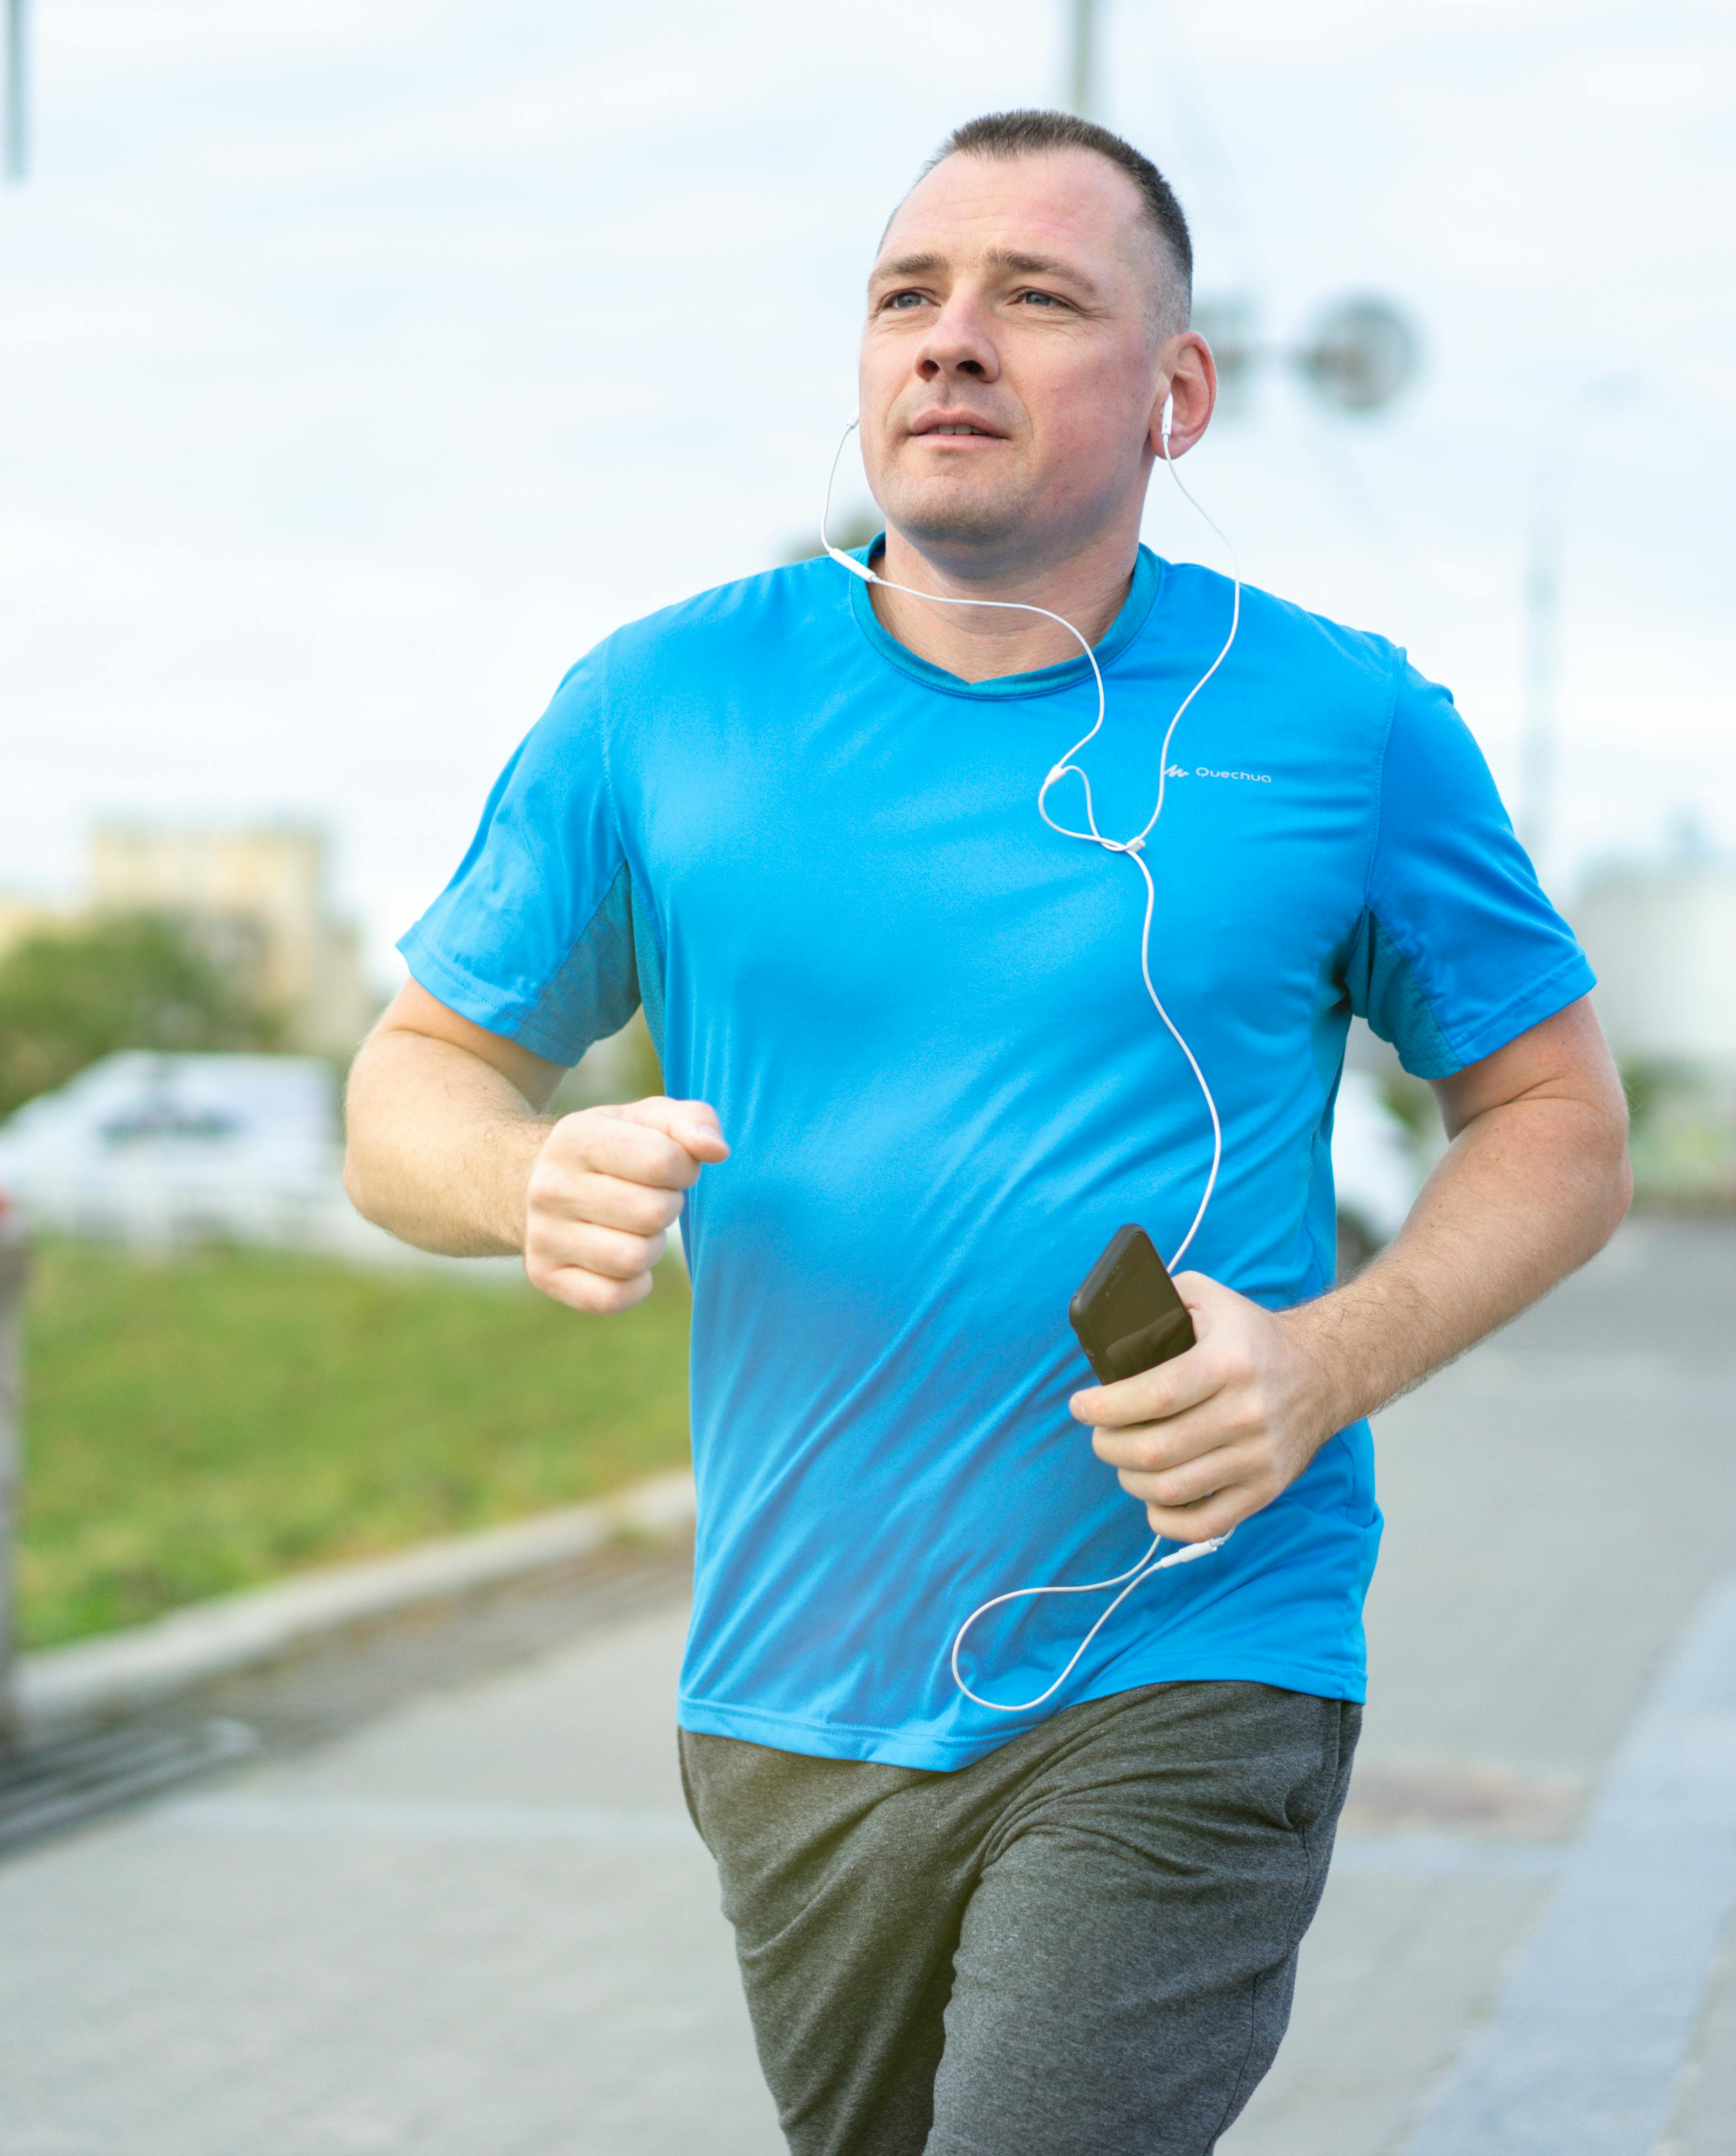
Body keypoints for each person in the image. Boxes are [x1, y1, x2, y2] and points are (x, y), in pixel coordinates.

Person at [344, 108, 1631, 2156]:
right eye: (905, 299)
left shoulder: (1345, 720)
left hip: (1192, 1651)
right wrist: (522, 1174)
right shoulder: (663, 703)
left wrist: (1323, 1367)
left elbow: (1559, 1118)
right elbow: (406, 1079)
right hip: (785, 1697)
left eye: (1039, 298)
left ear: (1177, 392)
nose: (953, 341)